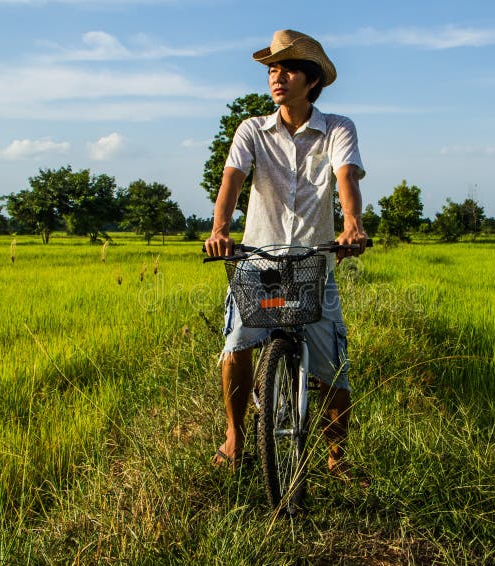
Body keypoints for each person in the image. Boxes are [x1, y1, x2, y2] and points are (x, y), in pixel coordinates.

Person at [204, 29, 368, 480]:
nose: (277, 77)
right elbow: (231, 182)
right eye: (273, 69)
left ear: (312, 80)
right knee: (236, 344)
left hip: (314, 262)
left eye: (288, 68)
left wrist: (352, 225)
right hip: (259, 261)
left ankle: (338, 459)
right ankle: (236, 437)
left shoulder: (337, 128)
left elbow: (346, 178)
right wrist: (220, 231)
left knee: (333, 368)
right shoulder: (251, 130)